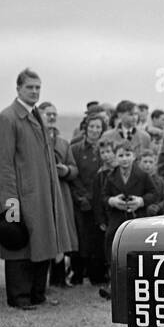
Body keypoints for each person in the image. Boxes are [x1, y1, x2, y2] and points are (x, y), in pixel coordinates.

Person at [0, 69, 67, 310]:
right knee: (19, 245)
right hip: (21, 195)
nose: (35, 91)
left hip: (42, 194)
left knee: (43, 243)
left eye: (38, 87)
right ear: (18, 89)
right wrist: (10, 203)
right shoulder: (8, 118)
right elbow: (3, 164)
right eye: (29, 87)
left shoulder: (36, 115)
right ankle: (19, 296)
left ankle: (38, 293)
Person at [38, 101, 80, 286]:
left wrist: (66, 170)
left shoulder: (63, 143)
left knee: (61, 234)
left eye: (54, 114)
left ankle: (59, 278)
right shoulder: (36, 140)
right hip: (42, 192)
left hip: (61, 192)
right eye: (48, 114)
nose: (52, 117)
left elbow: (74, 168)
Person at [98, 143, 157, 267]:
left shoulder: (142, 175)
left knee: (138, 246)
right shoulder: (110, 176)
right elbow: (103, 196)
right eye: (121, 155)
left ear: (134, 156)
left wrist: (141, 201)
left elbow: (153, 193)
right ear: (115, 157)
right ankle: (113, 274)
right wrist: (112, 201)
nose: (124, 159)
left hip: (138, 217)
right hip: (117, 217)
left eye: (127, 155)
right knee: (111, 242)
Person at [72, 118, 107, 286]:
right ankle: (77, 274)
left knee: (98, 238)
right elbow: (75, 176)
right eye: (92, 126)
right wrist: (83, 196)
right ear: (85, 128)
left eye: (98, 127)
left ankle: (97, 275)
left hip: (100, 201)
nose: (95, 130)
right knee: (81, 237)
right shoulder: (76, 149)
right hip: (82, 200)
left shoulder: (105, 148)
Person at [139, 150, 164, 215]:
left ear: (155, 164)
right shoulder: (136, 179)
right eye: (145, 162)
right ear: (139, 163)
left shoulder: (160, 181)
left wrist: (158, 207)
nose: (148, 165)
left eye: (151, 162)